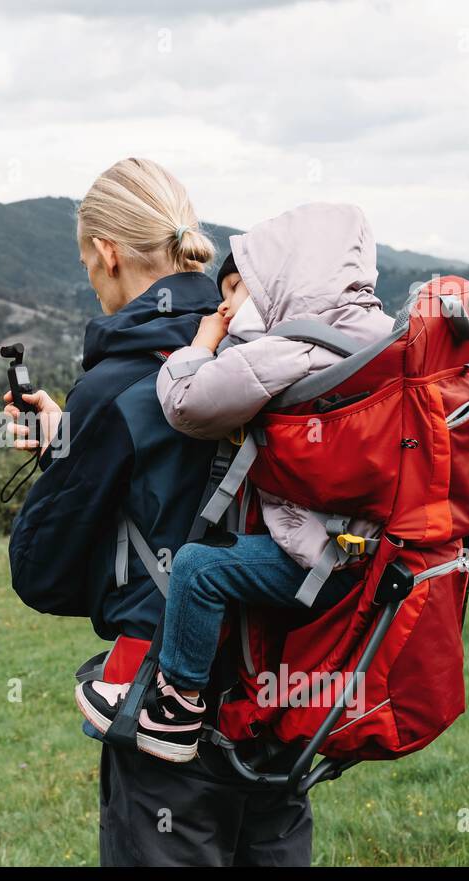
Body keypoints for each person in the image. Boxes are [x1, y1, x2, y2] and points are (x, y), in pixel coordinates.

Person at [5, 158, 312, 866]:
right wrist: (77, 444)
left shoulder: (113, 386)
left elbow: (41, 573)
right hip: (279, 695)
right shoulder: (257, 351)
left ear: (108, 253)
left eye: (87, 261)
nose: (90, 276)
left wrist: (70, 457)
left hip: (171, 712)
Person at [75, 202, 395, 763]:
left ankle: (176, 710)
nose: (224, 305)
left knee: (198, 568)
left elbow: (186, 404)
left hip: (321, 554)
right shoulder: (379, 336)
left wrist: (200, 347)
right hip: (370, 548)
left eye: (239, 291)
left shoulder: (293, 347)